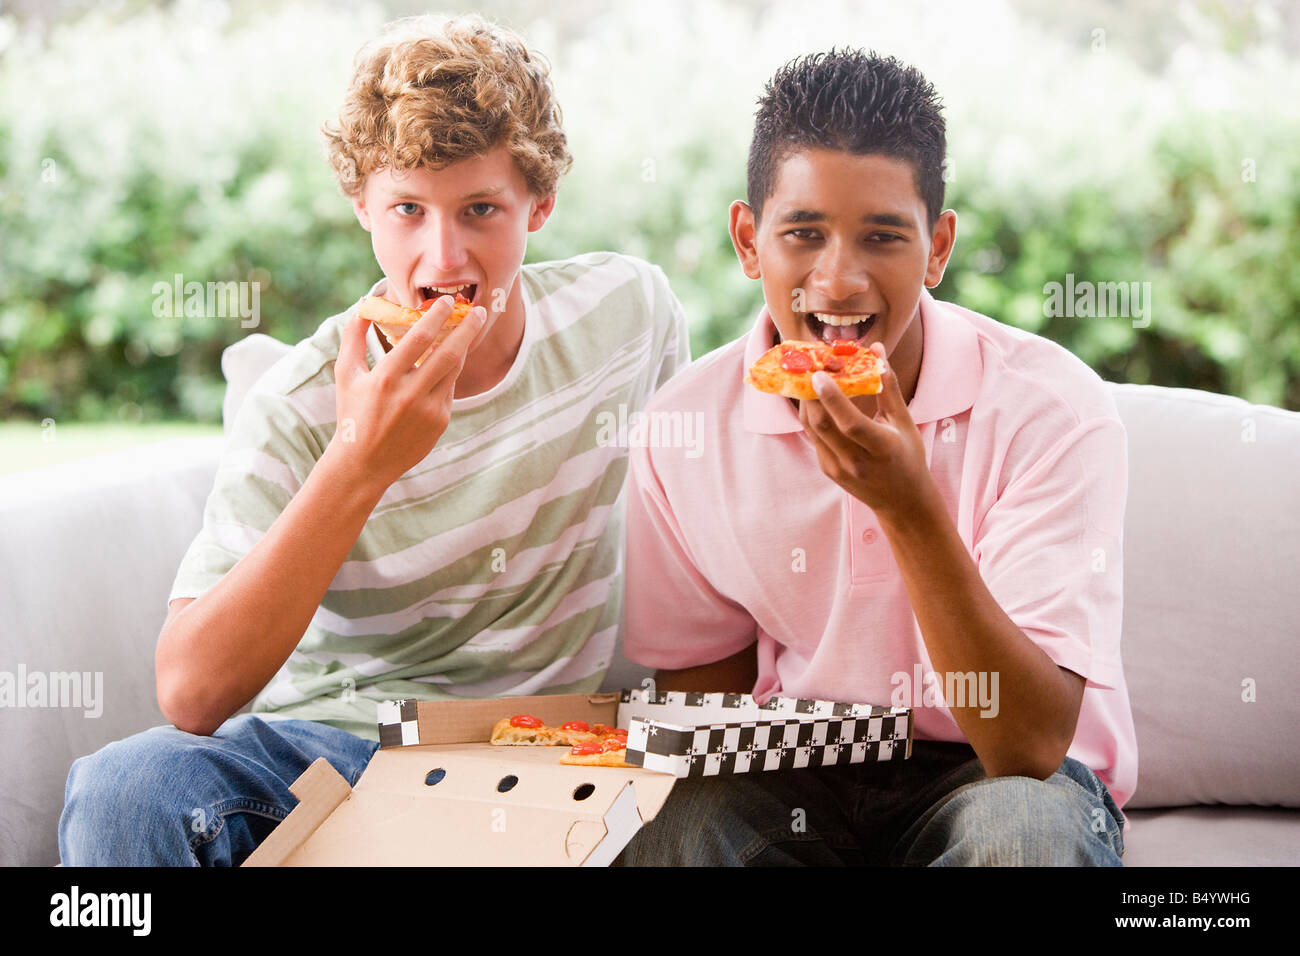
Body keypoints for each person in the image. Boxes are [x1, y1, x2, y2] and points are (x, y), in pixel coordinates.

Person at [59, 13, 690, 866]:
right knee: (128, 788)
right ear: (361, 205)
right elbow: (191, 692)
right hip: (329, 749)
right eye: (406, 210)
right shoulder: (297, 403)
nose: (444, 258)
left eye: (480, 209)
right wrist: (359, 460)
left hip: (535, 753)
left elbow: (700, 519)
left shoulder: (627, 316)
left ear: (539, 202)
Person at [616, 49, 1135, 866]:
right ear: (749, 241)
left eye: (883, 237)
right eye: (804, 234)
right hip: (800, 768)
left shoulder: (1052, 409)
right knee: (674, 826)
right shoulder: (684, 424)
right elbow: (704, 698)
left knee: (1022, 841)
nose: (841, 280)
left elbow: (1027, 747)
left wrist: (907, 506)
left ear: (937, 247)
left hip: (995, 773)